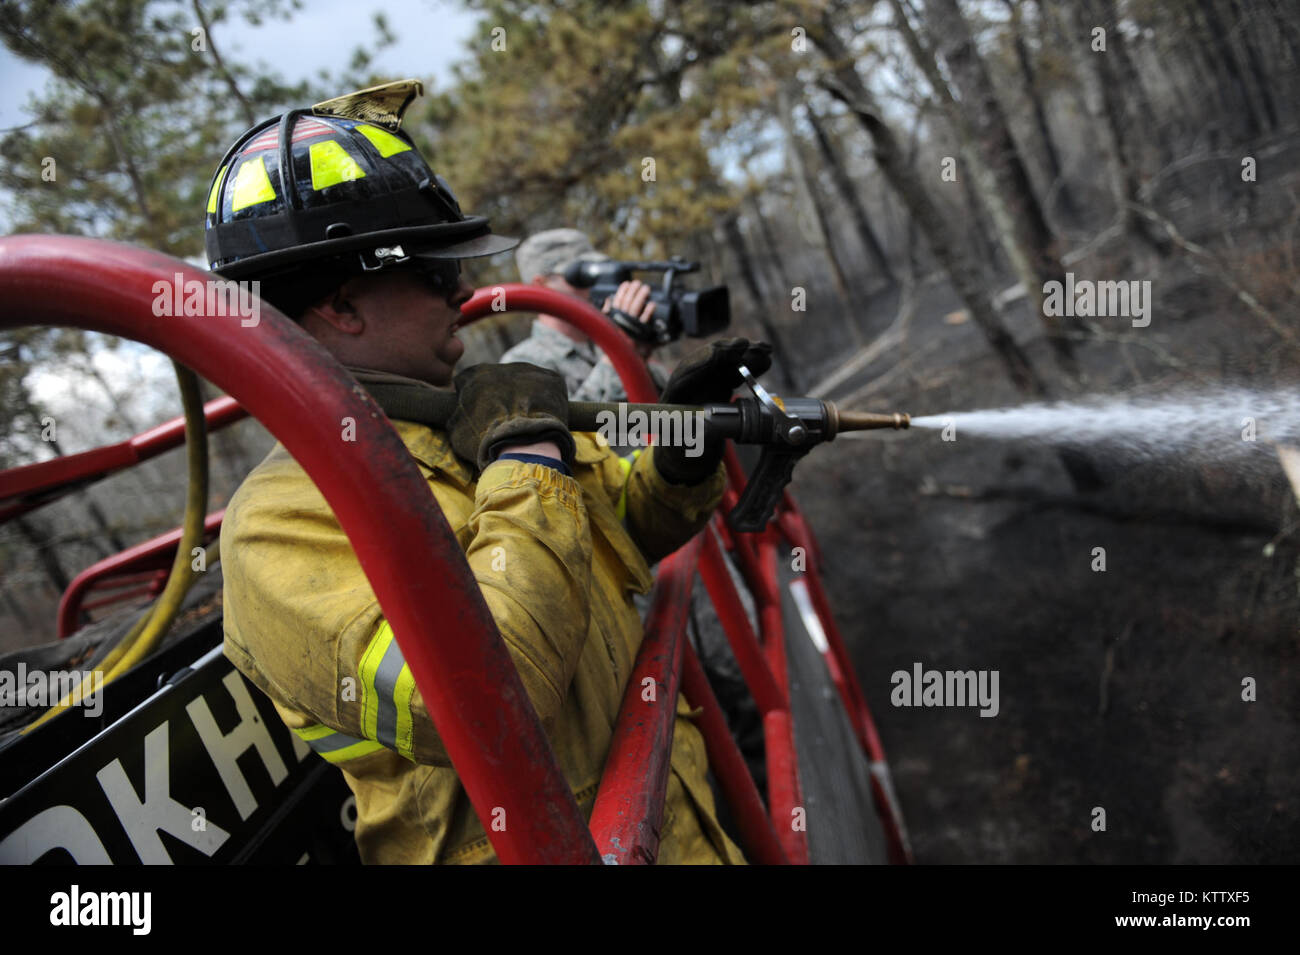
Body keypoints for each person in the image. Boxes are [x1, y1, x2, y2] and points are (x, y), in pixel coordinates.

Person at [207, 91, 767, 864]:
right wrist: (528, 455)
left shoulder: (452, 419)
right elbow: (498, 700)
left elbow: (624, 526)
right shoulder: (282, 527)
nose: (462, 292)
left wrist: (681, 454)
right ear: (341, 303)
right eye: (436, 270)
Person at [504, 229, 767, 797]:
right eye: (584, 277)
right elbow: (576, 442)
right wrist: (621, 347)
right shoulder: (524, 366)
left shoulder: (619, 339)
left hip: (690, 533)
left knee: (752, 682)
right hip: (638, 571)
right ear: (542, 286)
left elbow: (663, 427)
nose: (606, 287)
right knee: (697, 716)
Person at [501, 228, 670, 401]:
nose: (593, 286)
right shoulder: (521, 364)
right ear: (541, 286)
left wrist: (640, 353)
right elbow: (565, 426)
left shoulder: (602, 344)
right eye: (582, 277)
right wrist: (620, 355)